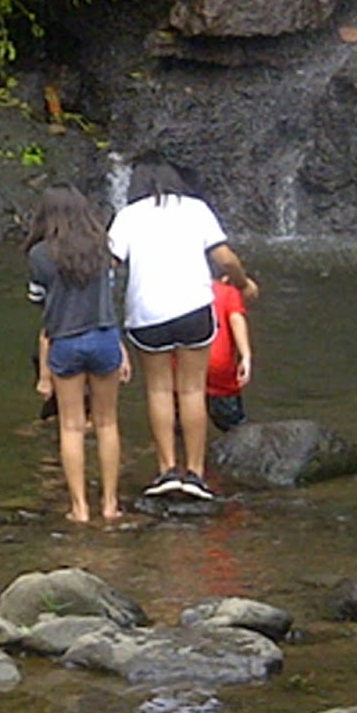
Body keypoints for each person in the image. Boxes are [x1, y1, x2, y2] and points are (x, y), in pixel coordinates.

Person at [108, 158, 257, 501]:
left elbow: (109, 264)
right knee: (191, 391)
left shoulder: (128, 216)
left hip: (146, 314)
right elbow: (226, 259)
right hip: (193, 309)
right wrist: (243, 284)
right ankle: (195, 474)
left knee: (159, 391)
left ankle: (166, 471)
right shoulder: (196, 209)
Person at [26, 186, 130, 522]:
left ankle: (79, 508)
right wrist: (121, 348)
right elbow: (109, 301)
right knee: (107, 423)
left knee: (71, 427)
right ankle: (111, 505)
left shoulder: (40, 254)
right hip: (103, 336)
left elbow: (39, 302)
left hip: (65, 342)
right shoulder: (102, 248)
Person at [206, 272, 252, 430]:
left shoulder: (185, 289)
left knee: (182, 415)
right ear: (226, 277)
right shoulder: (228, 292)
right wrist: (245, 355)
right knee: (233, 423)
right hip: (218, 366)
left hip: (183, 364)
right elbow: (236, 319)